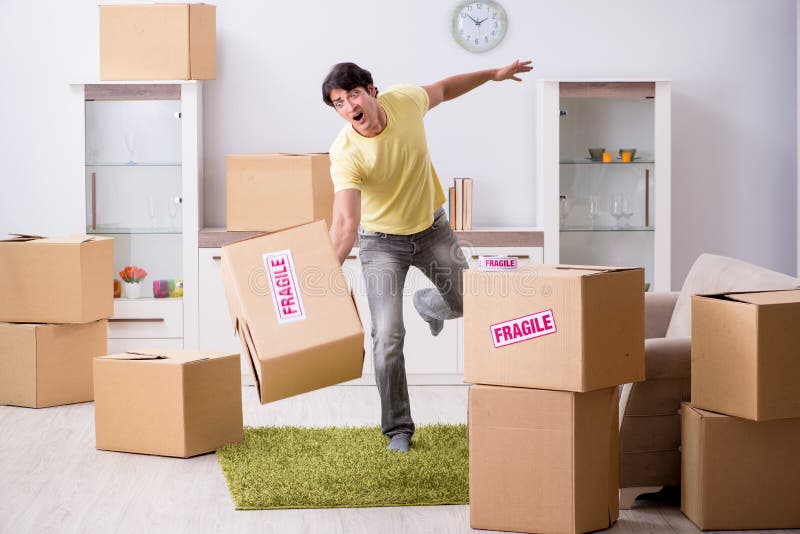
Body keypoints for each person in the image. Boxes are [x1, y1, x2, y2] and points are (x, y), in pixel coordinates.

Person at [322, 60, 533, 452]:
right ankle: (398, 429)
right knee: (387, 335)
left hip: (433, 229)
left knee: (471, 302)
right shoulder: (345, 153)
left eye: (352, 95)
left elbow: (444, 88)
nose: (349, 107)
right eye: (338, 103)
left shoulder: (404, 101)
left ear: (371, 90)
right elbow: (346, 224)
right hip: (382, 243)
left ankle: (430, 304)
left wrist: (491, 75)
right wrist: (319, 281)